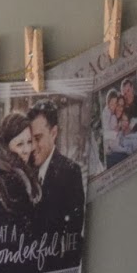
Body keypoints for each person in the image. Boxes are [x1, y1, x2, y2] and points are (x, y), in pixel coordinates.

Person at [26, 100, 84, 236]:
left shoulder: (70, 173)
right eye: (30, 140)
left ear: (53, 133)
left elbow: (73, 234)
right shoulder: (25, 171)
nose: (32, 147)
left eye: (38, 138)